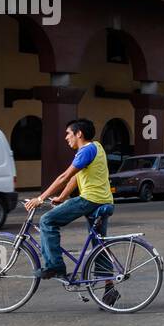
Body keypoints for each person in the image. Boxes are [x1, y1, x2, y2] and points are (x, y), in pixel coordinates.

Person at [23, 118, 114, 280]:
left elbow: (64, 176)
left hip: (90, 200)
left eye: (68, 134)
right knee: (99, 245)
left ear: (79, 134)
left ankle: (54, 266)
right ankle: (108, 288)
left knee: (47, 221)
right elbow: (74, 178)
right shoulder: (97, 147)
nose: (66, 138)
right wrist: (62, 197)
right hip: (104, 200)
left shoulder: (85, 150)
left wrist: (40, 198)